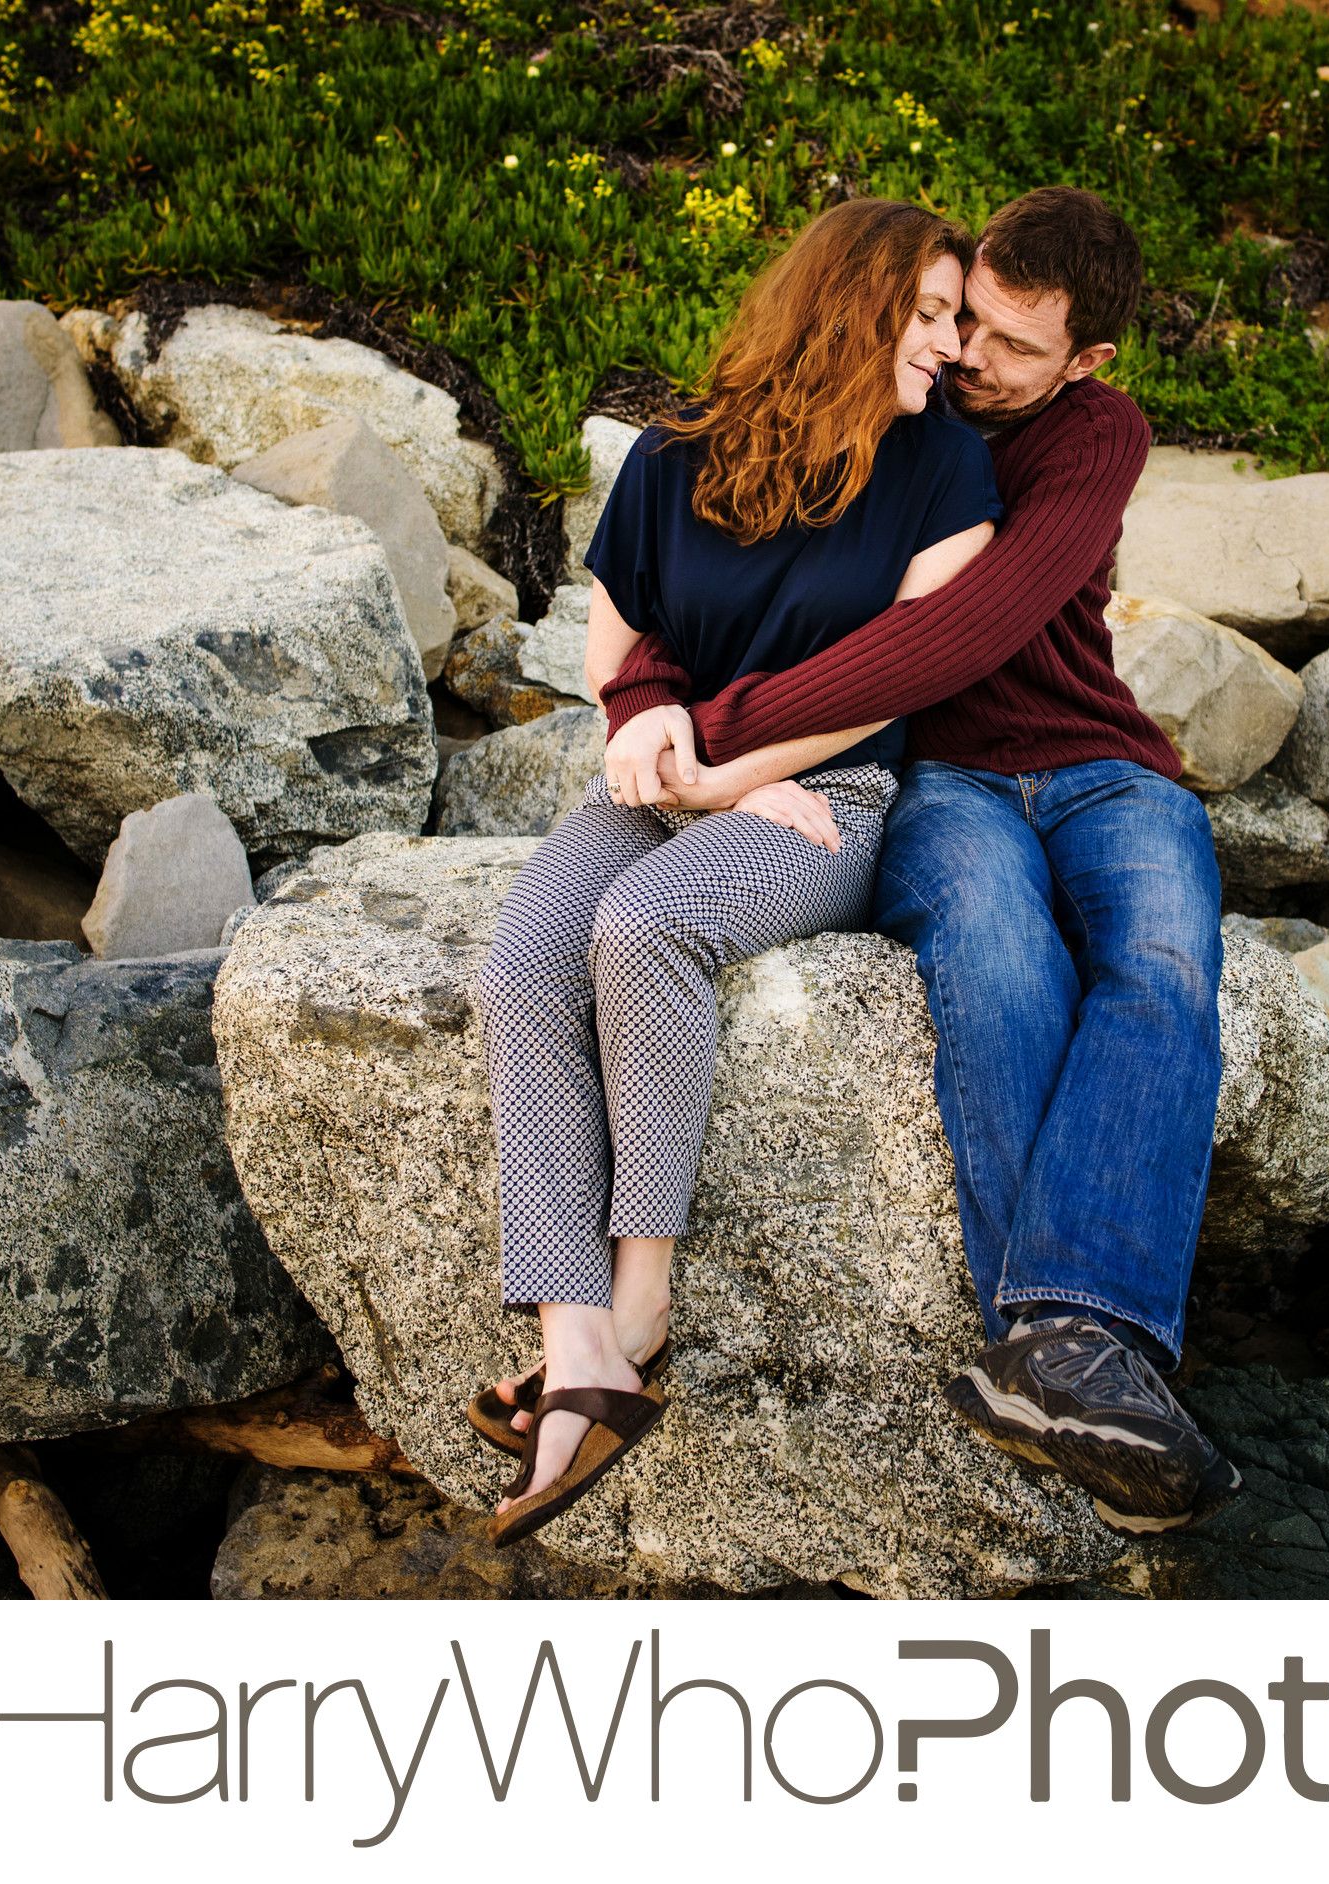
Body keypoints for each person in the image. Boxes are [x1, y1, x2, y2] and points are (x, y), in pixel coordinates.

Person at [599, 186, 1242, 1537]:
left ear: (1088, 362)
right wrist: (658, 695)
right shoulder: (904, 392)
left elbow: (971, 631)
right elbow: (715, 550)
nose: (971, 358)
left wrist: (723, 733)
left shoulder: (1093, 435)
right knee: (998, 957)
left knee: (1165, 962)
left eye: (1015, 344)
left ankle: (1065, 1342)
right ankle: (1077, 1355)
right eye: (968, 320)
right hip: (936, 777)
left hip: (1102, 761)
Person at [467, 197, 1003, 1543]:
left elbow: (894, 674)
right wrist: (649, 717)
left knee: (646, 928)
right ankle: (574, 1331)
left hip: (824, 796)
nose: (951, 346)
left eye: (956, 317)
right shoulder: (675, 456)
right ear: (850, 304)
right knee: (524, 958)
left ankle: (639, 1298)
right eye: (931, 313)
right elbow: (619, 636)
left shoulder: (947, 476)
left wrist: (733, 769)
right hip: (671, 776)